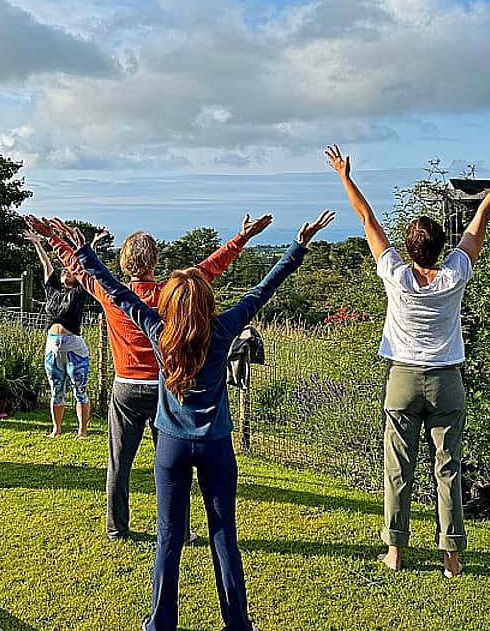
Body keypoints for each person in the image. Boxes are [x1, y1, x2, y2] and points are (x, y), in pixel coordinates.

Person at [54, 210, 335, 631]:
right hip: (216, 447)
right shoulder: (221, 330)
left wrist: (84, 253)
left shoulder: (157, 328)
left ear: (169, 304)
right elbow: (262, 291)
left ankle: (160, 624)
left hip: (171, 448)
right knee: (224, 537)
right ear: (206, 301)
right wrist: (296, 247)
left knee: (168, 539)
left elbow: (116, 292)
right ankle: (237, 624)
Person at [326, 141, 490, 579]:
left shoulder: (396, 275)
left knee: (397, 469)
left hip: (402, 379)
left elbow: (366, 218)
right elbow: (480, 219)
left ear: (408, 247)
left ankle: (395, 552)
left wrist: (344, 174)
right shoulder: (456, 273)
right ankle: (451, 558)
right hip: (447, 382)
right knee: (448, 469)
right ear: (441, 247)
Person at [27, 213, 271, 542]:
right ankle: (179, 531)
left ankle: (117, 527)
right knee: (174, 468)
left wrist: (55, 240)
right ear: (155, 261)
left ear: (125, 263)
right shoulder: (172, 293)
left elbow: (79, 268)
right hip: (164, 391)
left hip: (125, 388)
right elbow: (210, 268)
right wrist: (240, 238)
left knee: (119, 463)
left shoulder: (112, 292)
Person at [25, 227, 93, 438]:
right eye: (64, 270)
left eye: (70, 270)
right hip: (51, 346)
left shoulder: (80, 292)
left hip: (74, 346)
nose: (66, 271)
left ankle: (82, 431)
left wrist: (88, 247)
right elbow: (46, 264)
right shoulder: (53, 290)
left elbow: (86, 268)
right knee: (56, 390)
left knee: (79, 389)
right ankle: (57, 428)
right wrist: (37, 242)